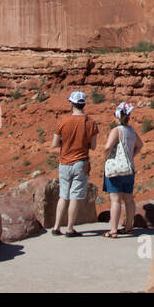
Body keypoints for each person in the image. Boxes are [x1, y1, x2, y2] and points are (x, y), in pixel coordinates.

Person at [49, 90, 98, 236]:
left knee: (63, 196)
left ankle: (56, 227)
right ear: (83, 104)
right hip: (81, 163)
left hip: (64, 162)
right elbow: (93, 146)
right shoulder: (91, 123)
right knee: (75, 196)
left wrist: (67, 142)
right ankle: (70, 229)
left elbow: (54, 144)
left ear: (71, 103)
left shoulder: (63, 121)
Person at [102, 102, 142, 237]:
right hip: (129, 169)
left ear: (118, 116)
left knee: (115, 200)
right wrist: (131, 156)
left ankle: (113, 230)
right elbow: (140, 145)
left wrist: (106, 158)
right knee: (129, 199)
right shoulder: (131, 130)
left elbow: (107, 147)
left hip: (116, 170)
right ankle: (129, 226)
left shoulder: (117, 130)